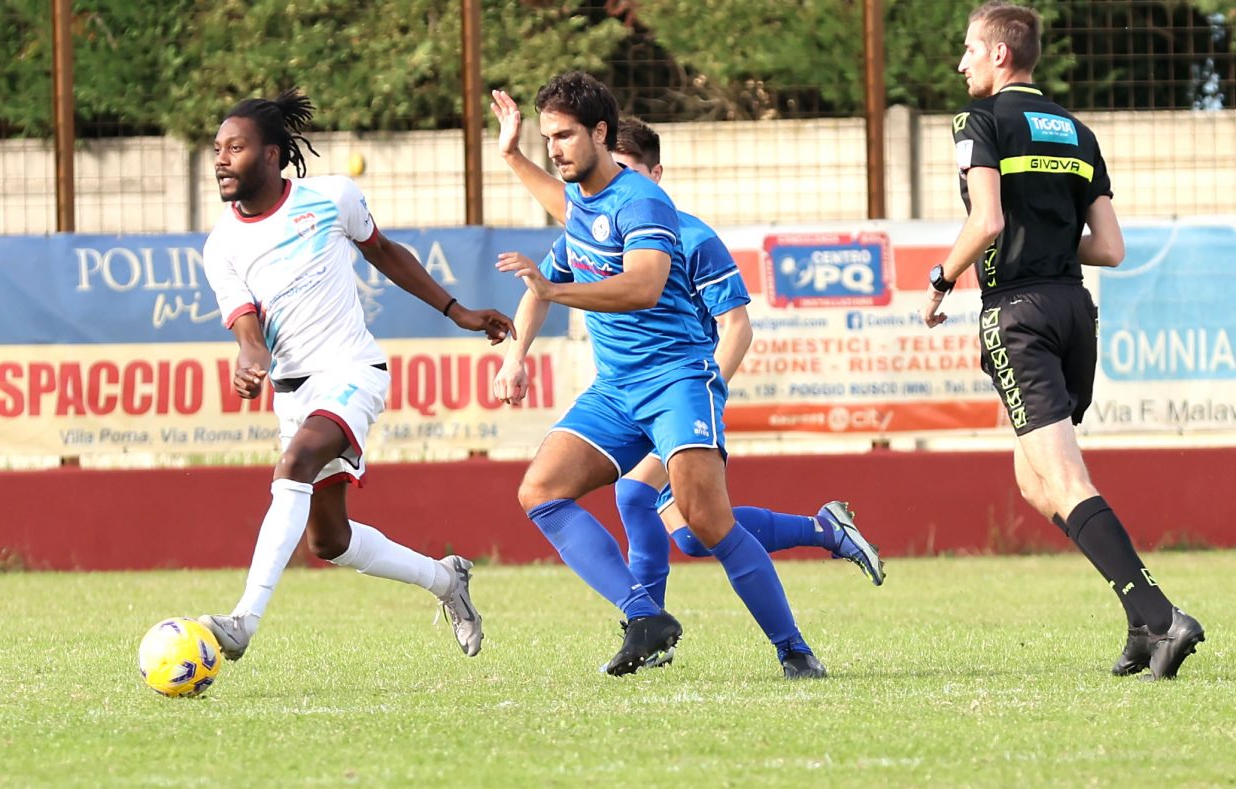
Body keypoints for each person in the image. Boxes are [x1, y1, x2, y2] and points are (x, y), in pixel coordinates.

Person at [491, 97, 885, 664]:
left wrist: (710, 392)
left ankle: (793, 649)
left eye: (565, 136)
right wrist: (515, 354)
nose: (555, 150)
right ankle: (647, 619)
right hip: (617, 389)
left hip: (678, 384)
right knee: (548, 493)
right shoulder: (582, 207)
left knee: (703, 524)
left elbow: (677, 303)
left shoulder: (668, 220)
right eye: (548, 138)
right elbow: (542, 278)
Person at [927, 1, 1204, 679]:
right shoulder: (1077, 131)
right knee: (1034, 481)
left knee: (1063, 476)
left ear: (999, 55)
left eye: (969, 49)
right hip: (1075, 312)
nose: (961, 61)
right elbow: (1109, 247)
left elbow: (986, 220)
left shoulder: (980, 120)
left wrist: (940, 278)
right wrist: (1050, 245)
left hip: (1018, 312)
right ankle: (1142, 621)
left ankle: (1163, 615)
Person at [197, 89, 514, 662]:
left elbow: (386, 253)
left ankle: (243, 622)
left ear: (270, 155)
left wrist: (457, 311)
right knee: (330, 541)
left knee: (293, 464)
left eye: (235, 147)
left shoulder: (330, 198)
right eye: (217, 148)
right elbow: (245, 322)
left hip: (351, 372)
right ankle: (448, 580)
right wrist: (251, 357)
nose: (220, 159)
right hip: (292, 396)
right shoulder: (221, 244)